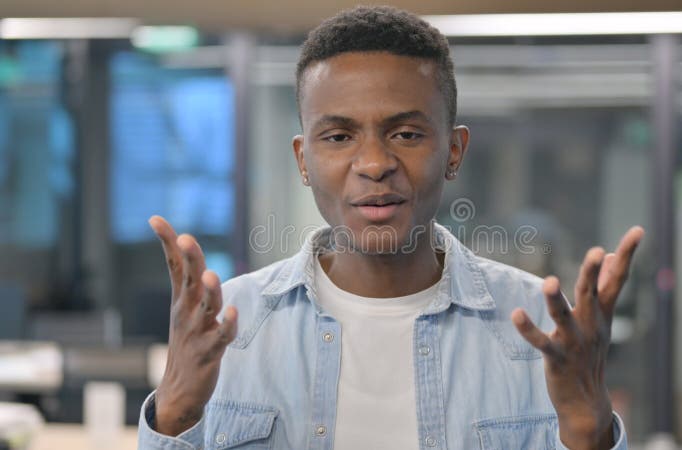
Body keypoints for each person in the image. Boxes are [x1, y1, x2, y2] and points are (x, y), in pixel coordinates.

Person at [137, 5, 644, 450]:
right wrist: (175, 414)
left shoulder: (539, 330)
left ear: (453, 150)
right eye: (338, 136)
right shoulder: (231, 326)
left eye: (405, 133)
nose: (375, 163)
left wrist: (587, 436)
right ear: (304, 160)